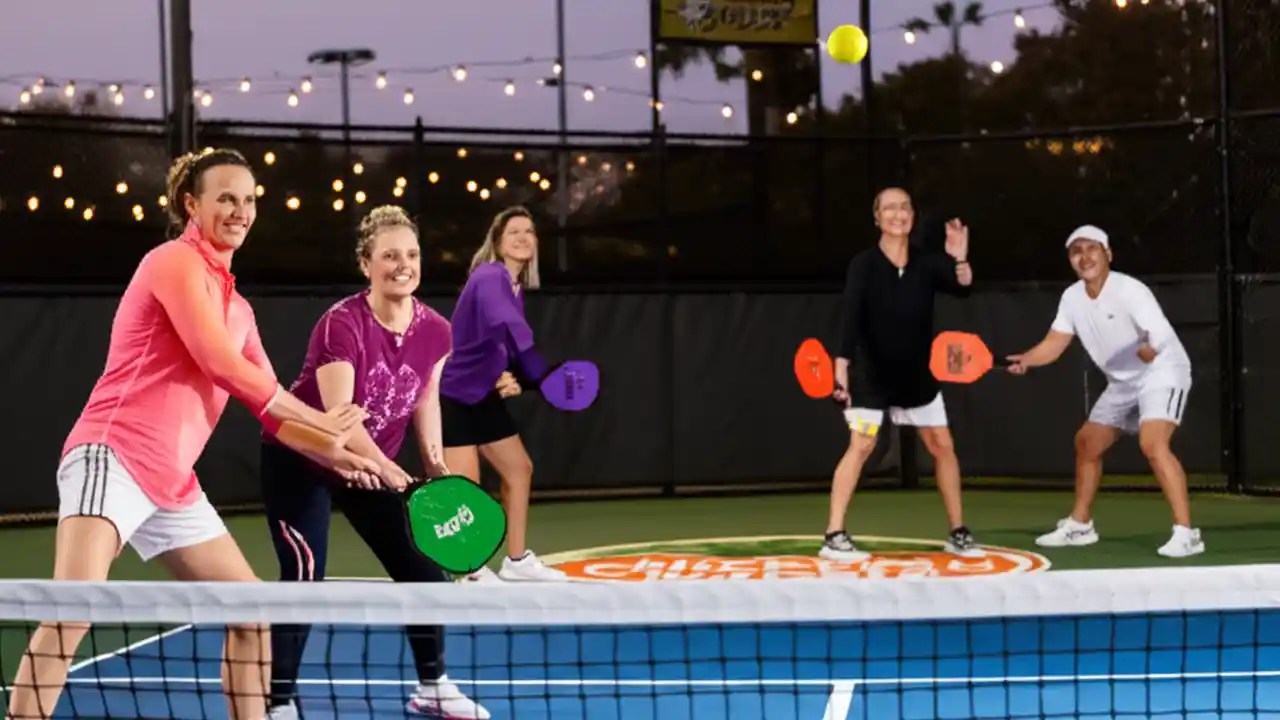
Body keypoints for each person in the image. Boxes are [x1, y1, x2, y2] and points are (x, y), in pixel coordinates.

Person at [7, 148, 379, 720]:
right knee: (71, 609)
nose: (240, 210)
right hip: (113, 454)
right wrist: (323, 422)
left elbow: (273, 412)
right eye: (226, 197)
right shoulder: (171, 263)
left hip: (173, 483)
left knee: (251, 613)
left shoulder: (241, 309)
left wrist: (332, 450)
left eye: (249, 199)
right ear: (191, 204)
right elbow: (220, 365)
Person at [259, 205, 492, 719]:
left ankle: (433, 687)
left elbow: (424, 395)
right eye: (389, 255)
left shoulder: (437, 330)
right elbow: (342, 421)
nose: (402, 265)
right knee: (304, 572)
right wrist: (391, 471)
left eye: (411, 254)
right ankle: (279, 703)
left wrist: (433, 463)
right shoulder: (340, 325)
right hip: (302, 456)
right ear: (366, 264)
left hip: (370, 465)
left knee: (426, 572)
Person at [1005, 224, 1204, 558]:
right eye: (1076, 251)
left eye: (1092, 248)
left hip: (1162, 371)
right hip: (1122, 382)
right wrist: (1027, 359)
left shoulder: (1130, 290)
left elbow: (1159, 336)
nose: (1085, 257)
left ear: (1108, 254)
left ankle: (1186, 533)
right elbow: (1055, 343)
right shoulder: (1071, 298)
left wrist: (1150, 349)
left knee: (1152, 443)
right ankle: (1080, 525)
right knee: (1087, 442)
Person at [820, 187, 982, 563]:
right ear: (877, 217)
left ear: (912, 215)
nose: (898, 213)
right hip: (872, 374)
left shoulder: (928, 262)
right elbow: (850, 319)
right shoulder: (863, 264)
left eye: (905, 207)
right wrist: (840, 370)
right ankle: (833, 534)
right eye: (889, 208)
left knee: (942, 446)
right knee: (861, 446)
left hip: (916, 374)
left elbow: (962, 288)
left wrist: (960, 259)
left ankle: (957, 532)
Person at [438, 206, 566, 582]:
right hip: (455, 397)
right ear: (498, 241)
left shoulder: (514, 287)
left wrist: (512, 378)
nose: (524, 237)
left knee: (518, 469)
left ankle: (516, 561)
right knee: (467, 491)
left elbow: (499, 344)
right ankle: (472, 570)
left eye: (529, 231)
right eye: (514, 232)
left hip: (483, 394)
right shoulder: (490, 275)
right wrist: (540, 376)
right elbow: (508, 325)